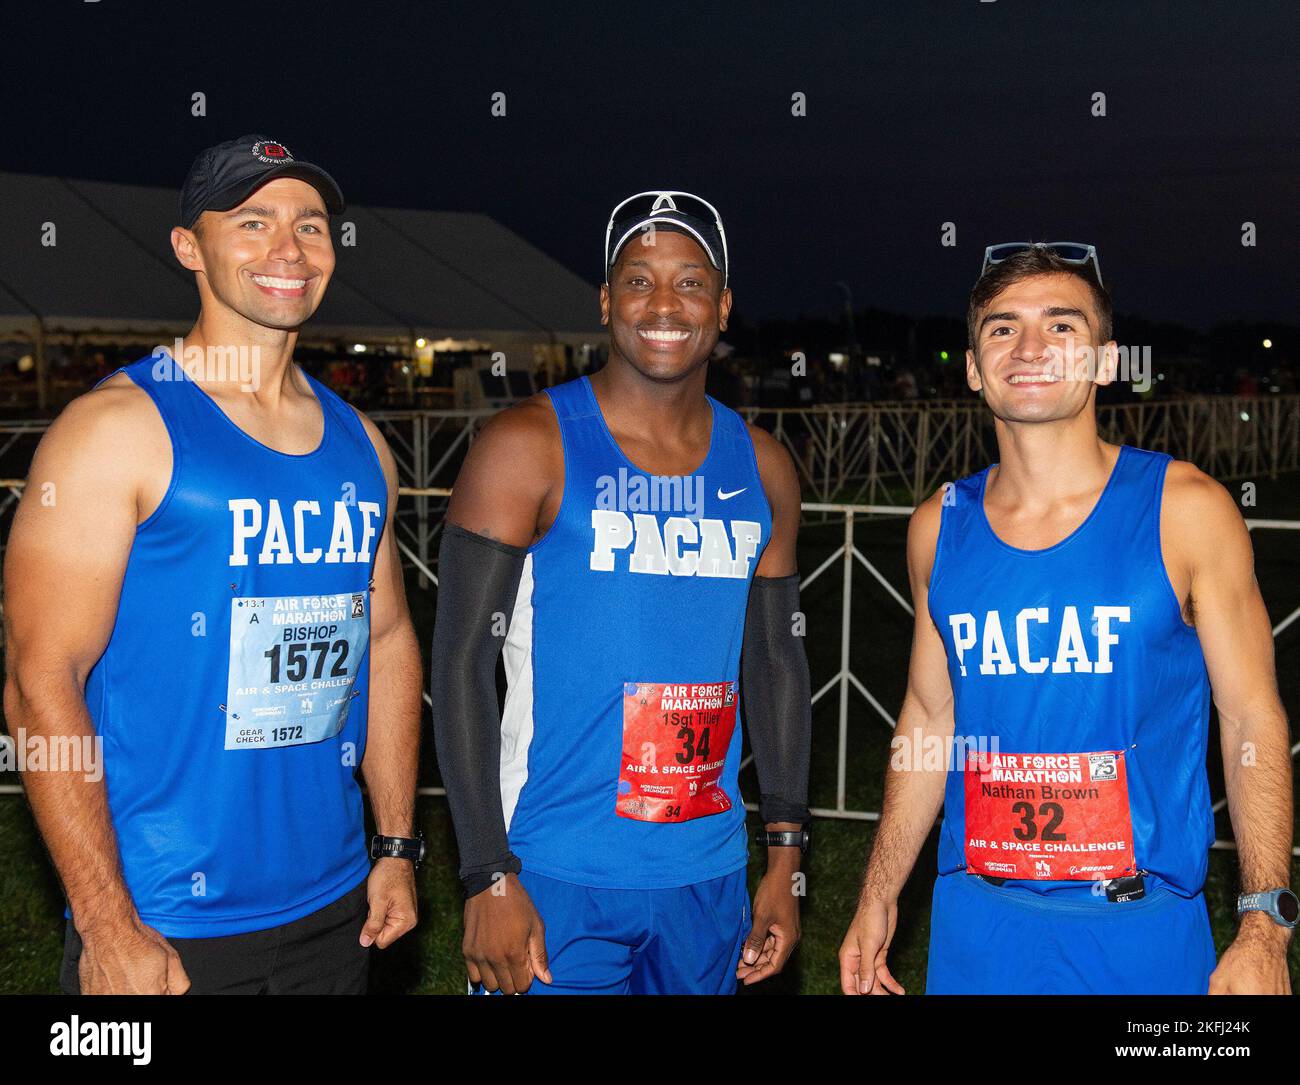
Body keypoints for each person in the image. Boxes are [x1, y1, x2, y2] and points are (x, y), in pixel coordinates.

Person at [3, 135, 424, 994]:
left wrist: (395, 846)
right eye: (253, 220)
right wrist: (105, 920)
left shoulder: (362, 444)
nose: (288, 248)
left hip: (336, 904)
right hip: (164, 920)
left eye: (311, 225)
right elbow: (38, 677)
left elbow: (385, 641)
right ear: (188, 247)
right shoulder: (116, 428)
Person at [838, 243, 1295, 995]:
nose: (1030, 348)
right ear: (974, 368)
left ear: (1105, 361)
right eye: (1002, 328)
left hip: (1140, 932)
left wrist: (1263, 923)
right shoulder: (937, 527)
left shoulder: (1188, 510)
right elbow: (927, 718)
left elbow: (1251, 718)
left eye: (1061, 326)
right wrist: (880, 890)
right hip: (978, 927)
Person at [431, 191, 812, 994]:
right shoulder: (526, 446)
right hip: (552, 868)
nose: (665, 304)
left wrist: (784, 858)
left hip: (705, 872)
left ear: (724, 304)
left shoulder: (764, 467)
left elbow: (777, 663)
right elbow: (459, 665)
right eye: (639, 280)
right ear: (606, 302)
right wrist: (486, 872)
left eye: (690, 282)